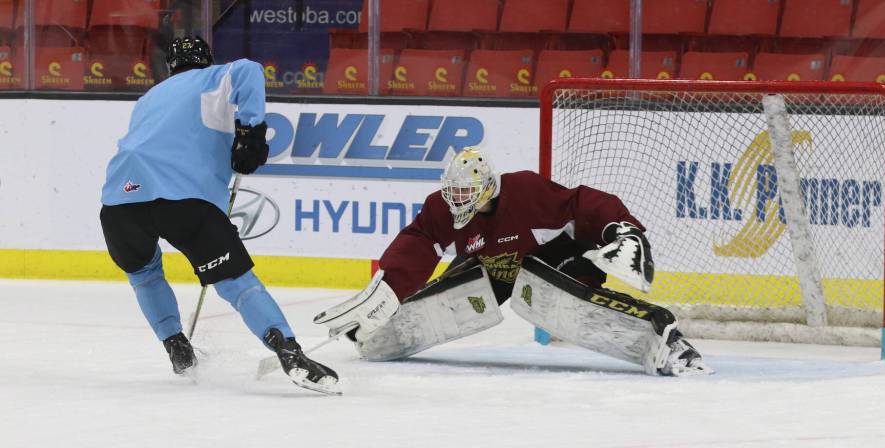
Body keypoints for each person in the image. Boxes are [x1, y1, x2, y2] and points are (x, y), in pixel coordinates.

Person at [313, 147, 712, 376]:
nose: (457, 201)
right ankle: (375, 329)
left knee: (554, 296)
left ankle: (668, 339)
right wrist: (388, 290)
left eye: (465, 193)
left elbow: (580, 202)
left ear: (487, 187)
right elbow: (418, 240)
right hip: (497, 268)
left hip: (561, 261)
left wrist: (621, 230)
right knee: (459, 286)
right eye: (452, 192)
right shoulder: (443, 207)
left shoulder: (525, 192)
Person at [98, 36, 339, 394]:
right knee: (236, 284)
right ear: (207, 60)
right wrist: (251, 132)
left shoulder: (149, 98)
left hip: (118, 204)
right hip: (183, 201)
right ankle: (288, 350)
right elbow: (250, 70)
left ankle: (175, 344)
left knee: (145, 275)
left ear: (171, 67)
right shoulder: (215, 77)